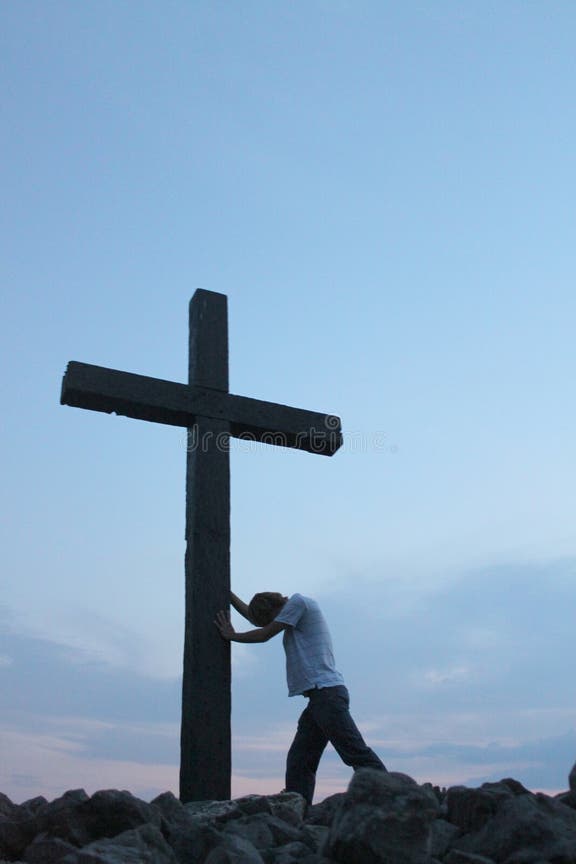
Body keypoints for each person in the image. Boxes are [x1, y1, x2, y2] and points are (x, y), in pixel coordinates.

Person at [215, 590, 387, 804]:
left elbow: (265, 633)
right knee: (300, 761)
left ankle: (395, 796)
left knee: (355, 752)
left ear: (274, 609)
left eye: (268, 619)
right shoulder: (289, 614)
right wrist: (226, 591)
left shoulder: (299, 603)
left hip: (327, 694)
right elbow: (256, 620)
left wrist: (232, 636)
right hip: (318, 699)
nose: (269, 623)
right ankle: (298, 809)